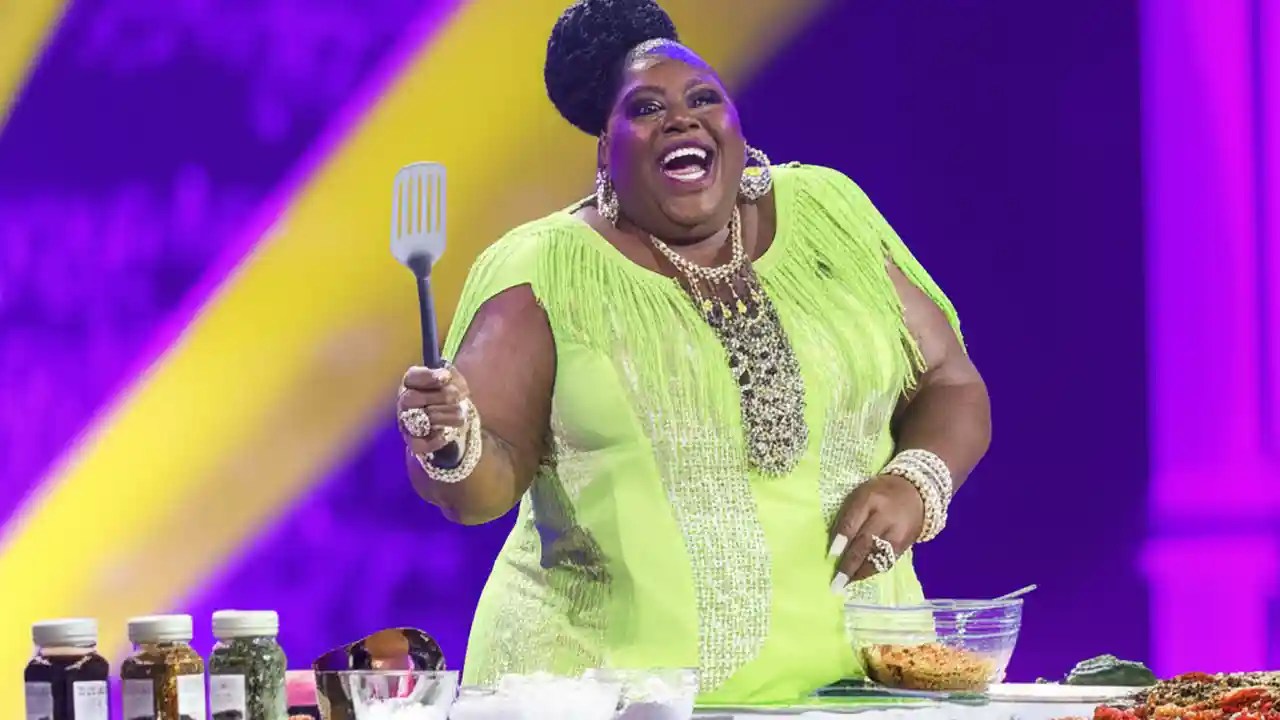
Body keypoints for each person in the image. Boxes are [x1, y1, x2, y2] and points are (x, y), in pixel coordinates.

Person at [394, 0, 991, 704]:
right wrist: (450, 441)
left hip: (862, 686)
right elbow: (478, 489)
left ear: (737, 130)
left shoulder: (832, 215)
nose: (681, 118)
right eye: (646, 109)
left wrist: (915, 482)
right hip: (610, 700)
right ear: (604, 153)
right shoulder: (544, 268)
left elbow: (950, 383)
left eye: (704, 98)